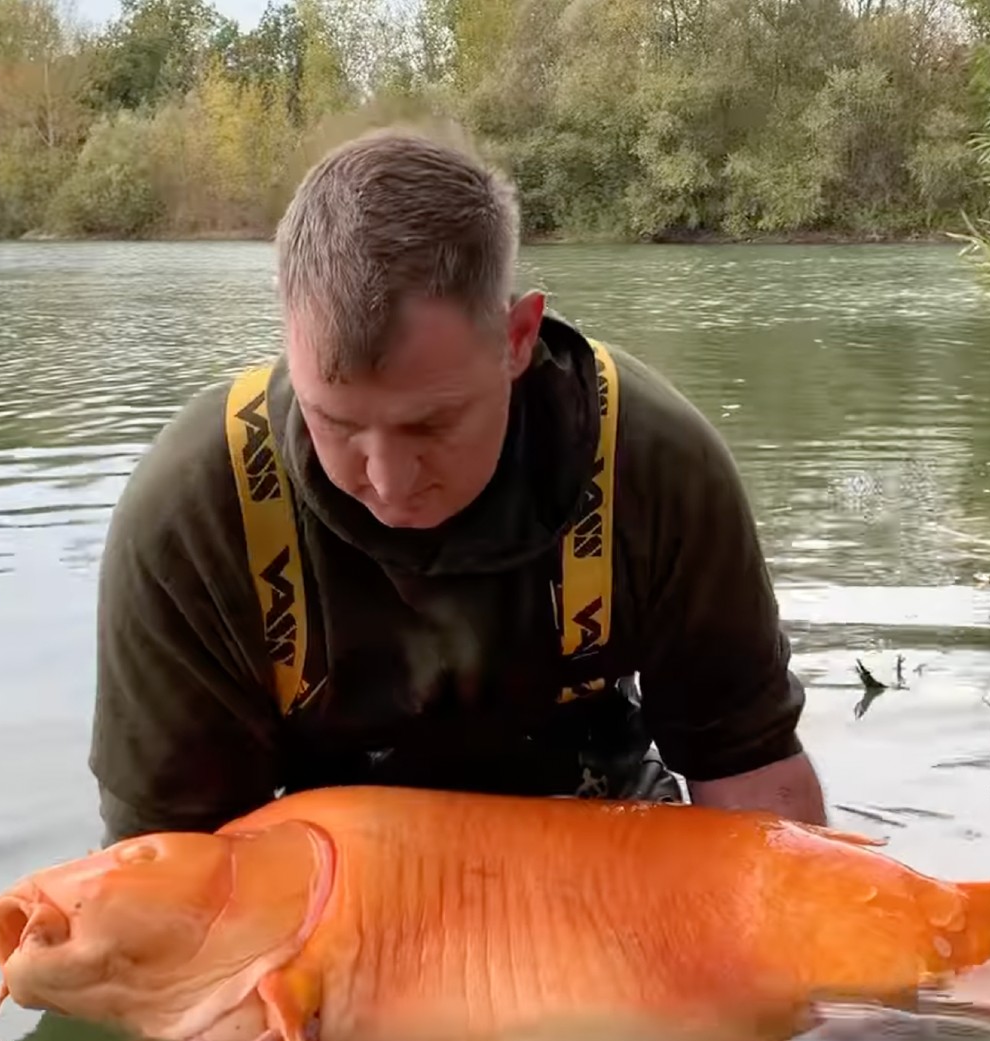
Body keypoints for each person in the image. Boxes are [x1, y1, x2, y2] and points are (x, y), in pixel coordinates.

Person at [88, 123, 826, 848]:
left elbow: (751, 774)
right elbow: (167, 864)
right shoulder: (192, 513)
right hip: (334, 889)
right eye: (336, 423)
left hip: (605, 847)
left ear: (516, 338)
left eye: (429, 427)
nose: (385, 480)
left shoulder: (655, 461)